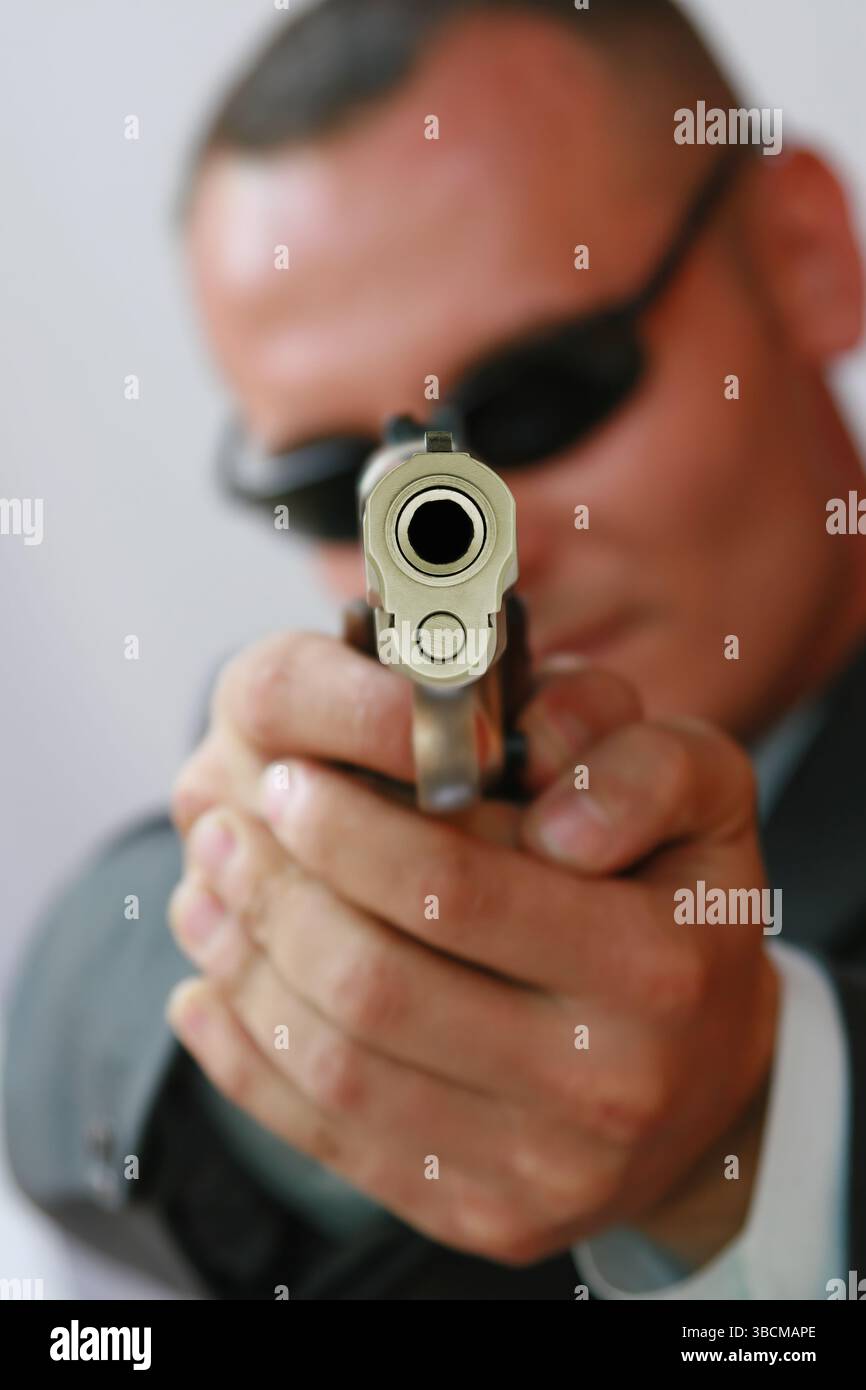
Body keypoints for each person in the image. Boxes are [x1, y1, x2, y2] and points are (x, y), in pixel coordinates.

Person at [5, 0, 866, 1300]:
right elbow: (74, 1018)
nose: (490, 548)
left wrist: (758, 1119)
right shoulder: (315, 802)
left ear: (803, 251)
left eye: (540, 395)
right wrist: (300, 1008)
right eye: (334, 479)